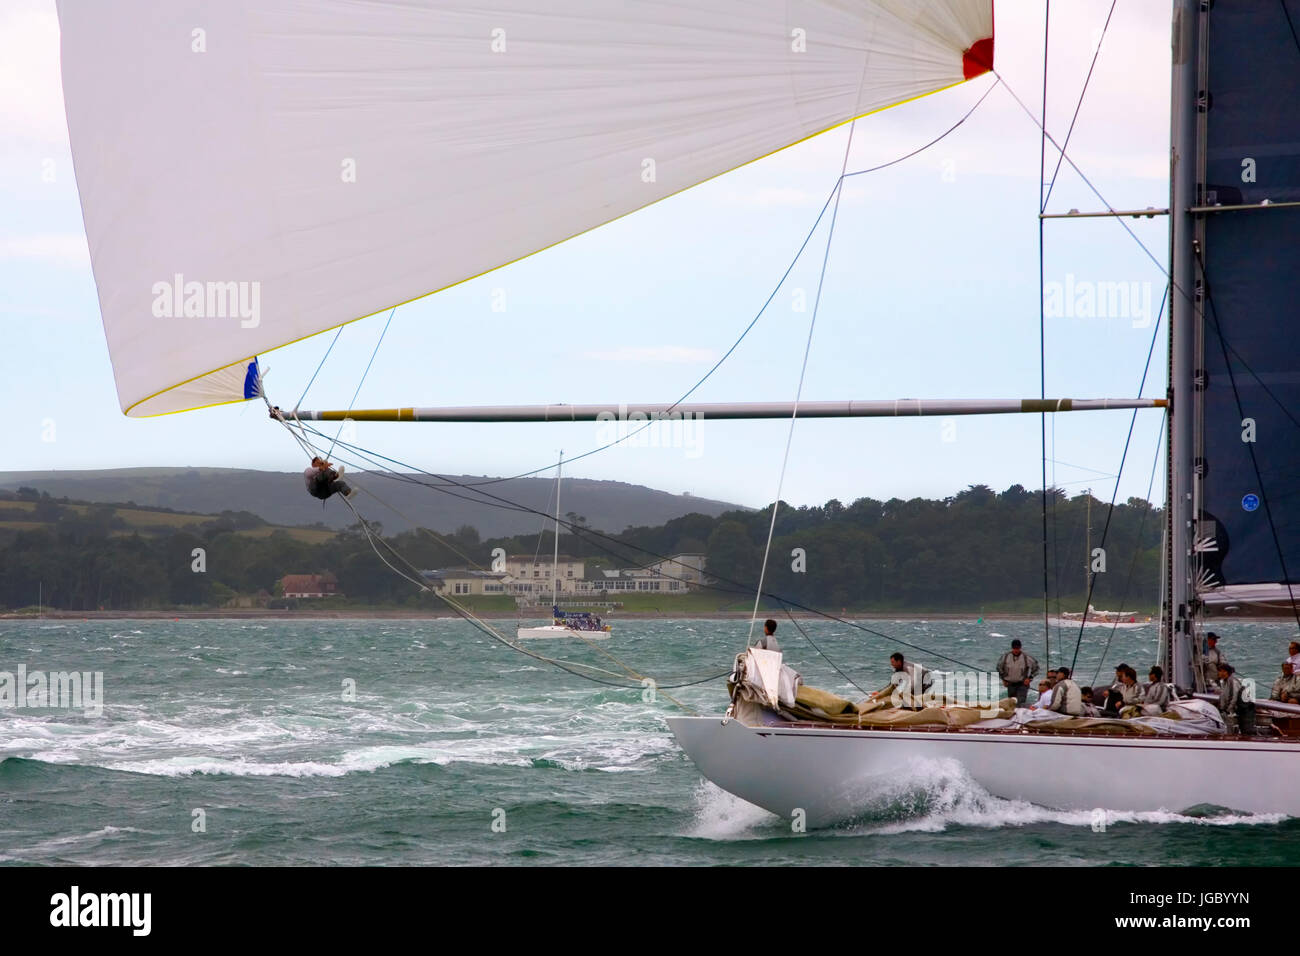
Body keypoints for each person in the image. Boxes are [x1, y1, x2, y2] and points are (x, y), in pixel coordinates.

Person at [996, 639, 1039, 707]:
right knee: (1011, 704)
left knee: (1020, 703)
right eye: (1014, 648)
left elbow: (1036, 668)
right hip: (1010, 684)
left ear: (1020, 648)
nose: (1016, 650)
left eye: (1017, 648)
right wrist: (1003, 679)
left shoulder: (1027, 657)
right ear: (1012, 648)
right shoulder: (1005, 657)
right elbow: (999, 668)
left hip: (1022, 685)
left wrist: (1030, 678)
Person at [1217, 663, 1255, 734]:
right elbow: (1223, 696)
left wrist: (1228, 709)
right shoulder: (1224, 682)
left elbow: (1234, 697)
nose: (1218, 673)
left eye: (1220, 671)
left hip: (1238, 710)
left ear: (1225, 672)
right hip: (1230, 710)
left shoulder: (1233, 682)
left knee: (1238, 728)